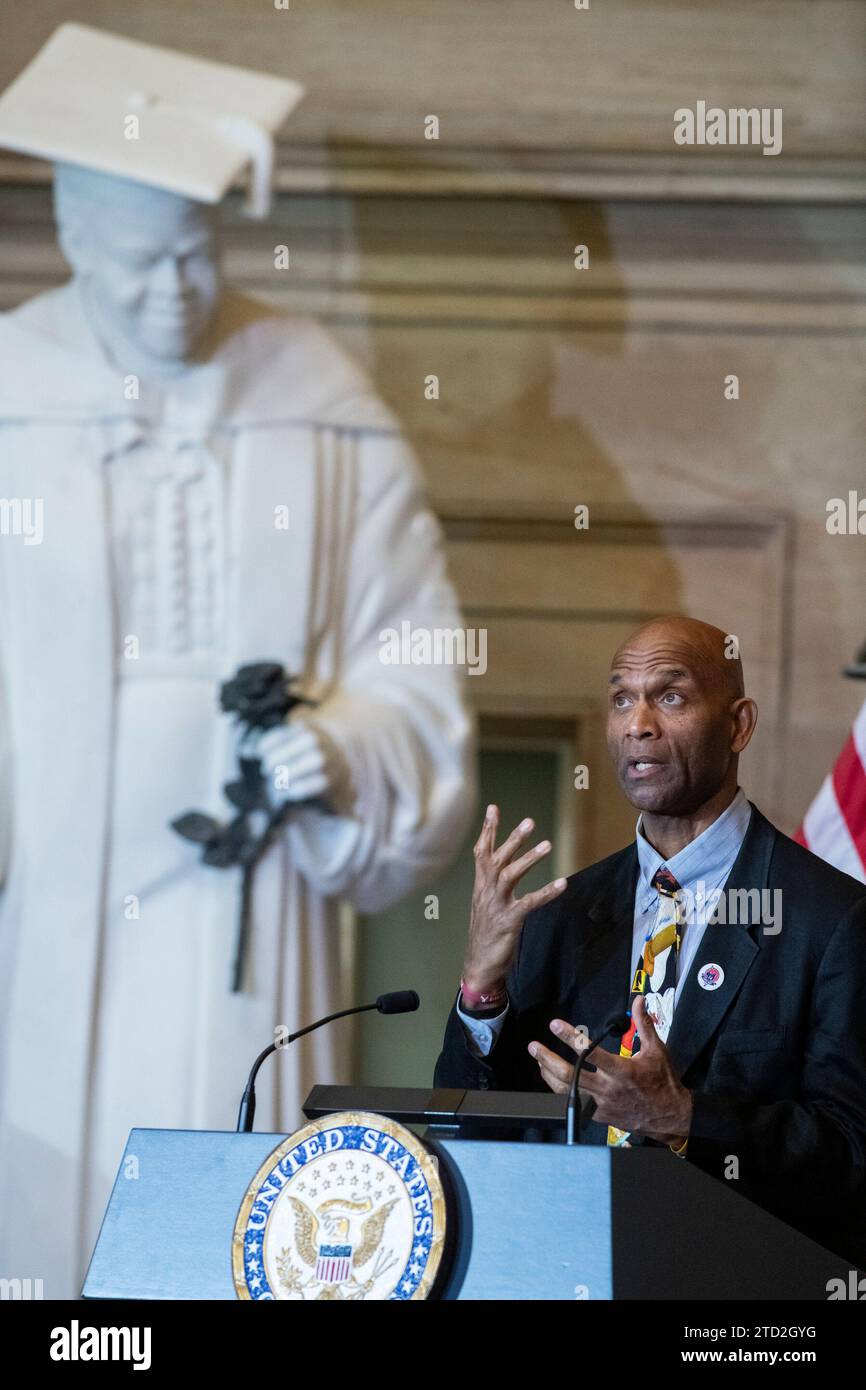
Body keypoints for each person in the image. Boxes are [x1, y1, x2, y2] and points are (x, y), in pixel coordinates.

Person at [0, 25, 476, 1297]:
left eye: (199, 256)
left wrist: (338, 743)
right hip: (41, 909)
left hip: (247, 909)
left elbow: (414, 661)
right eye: (142, 265)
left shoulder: (313, 396)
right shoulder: (10, 395)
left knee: (220, 1199)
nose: (177, 294)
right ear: (76, 241)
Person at [436, 615, 866, 1266]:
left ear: (739, 724)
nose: (638, 723)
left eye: (670, 696)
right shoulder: (560, 914)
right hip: (564, 1269)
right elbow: (475, 1130)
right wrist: (480, 991)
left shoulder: (830, 918)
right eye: (619, 699)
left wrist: (682, 1117)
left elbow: (853, 1155)